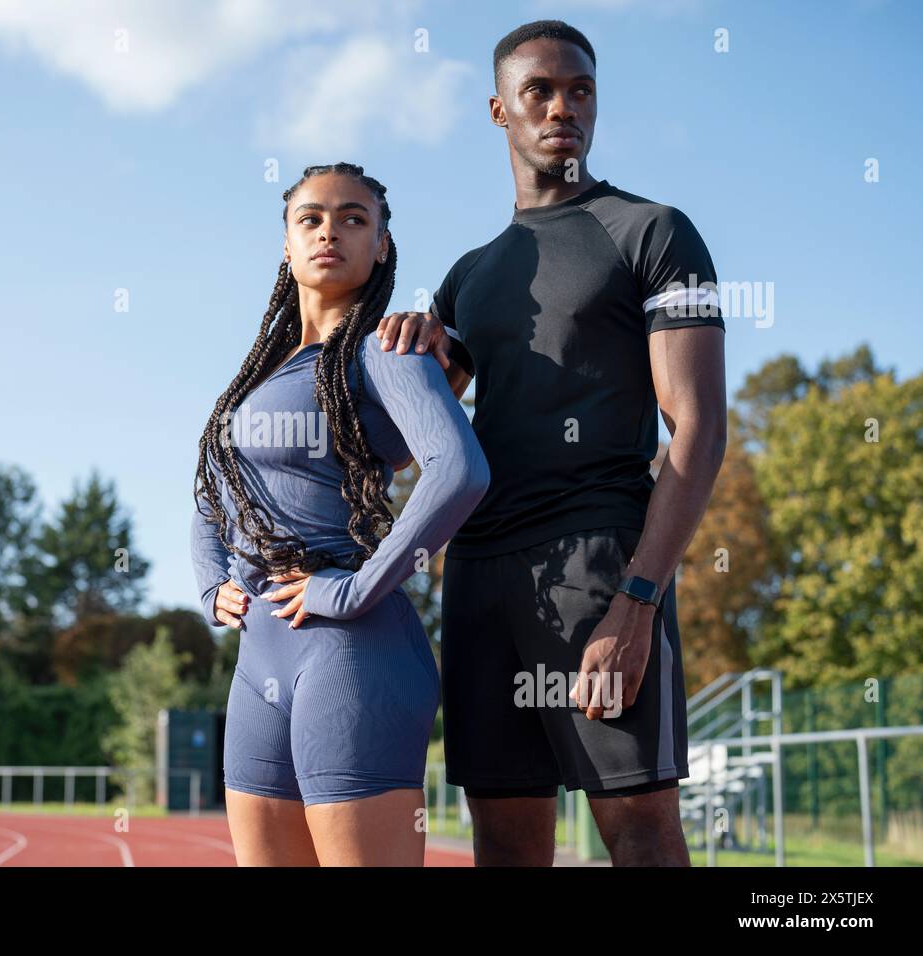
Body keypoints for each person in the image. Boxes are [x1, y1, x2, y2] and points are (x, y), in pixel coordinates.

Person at [376, 20, 727, 866]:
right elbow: (397, 447)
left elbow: (701, 428)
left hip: (599, 563)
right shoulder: (469, 274)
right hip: (483, 574)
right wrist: (409, 345)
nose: (563, 106)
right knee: (503, 839)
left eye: (581, 90)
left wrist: (637, 600)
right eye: (540, 90)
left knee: (639, 831)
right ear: (500, 109)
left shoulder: (652, 231)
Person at [190, 162, 489, 866]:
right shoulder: (260, 369)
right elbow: (211, 489)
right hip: (259, 655)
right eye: (312, 218)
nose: (332, 231)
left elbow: (461, 470)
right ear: (286, 243)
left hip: (352, 653)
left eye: (355, 218)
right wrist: (209, 579)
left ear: (381, 245)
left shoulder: (386, 350)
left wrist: (355, 589)